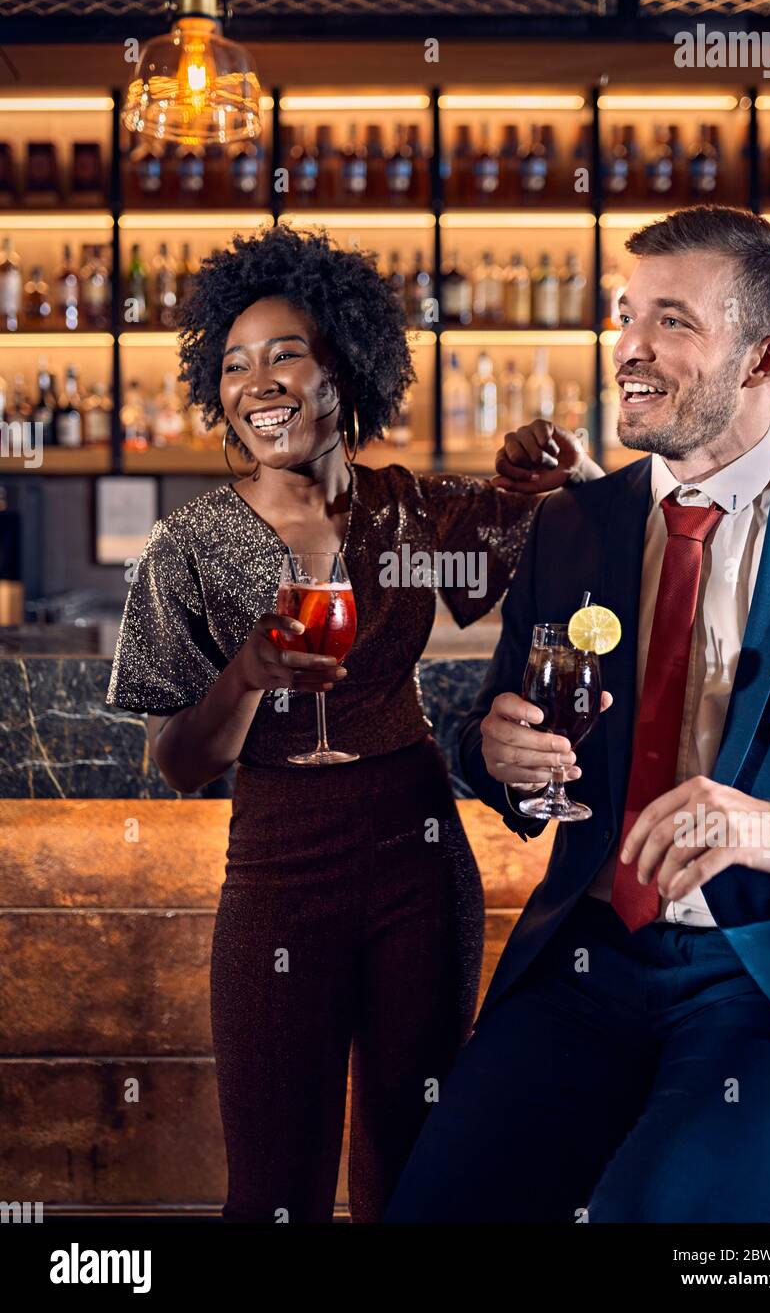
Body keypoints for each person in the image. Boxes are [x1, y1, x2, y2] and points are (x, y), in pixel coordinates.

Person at [104, 223, 602, 1223]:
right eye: (235, 363)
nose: (259, 380)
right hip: (279, 868)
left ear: (347, 366)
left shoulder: (410, 510)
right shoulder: (187, 547)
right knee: (274, 1184)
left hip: (417, 855)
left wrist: (564, 468)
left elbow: (569, 527)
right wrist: (244, 674)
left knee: (412, 1169)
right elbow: (179, 765)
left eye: (286, 351)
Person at [385, 205, 770, 1224]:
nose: (629, 351)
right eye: (622, 315)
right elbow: (501, 734)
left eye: (670, 321)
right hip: (585, 961)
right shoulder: (570, 524)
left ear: (763, 355)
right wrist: (501, 756)